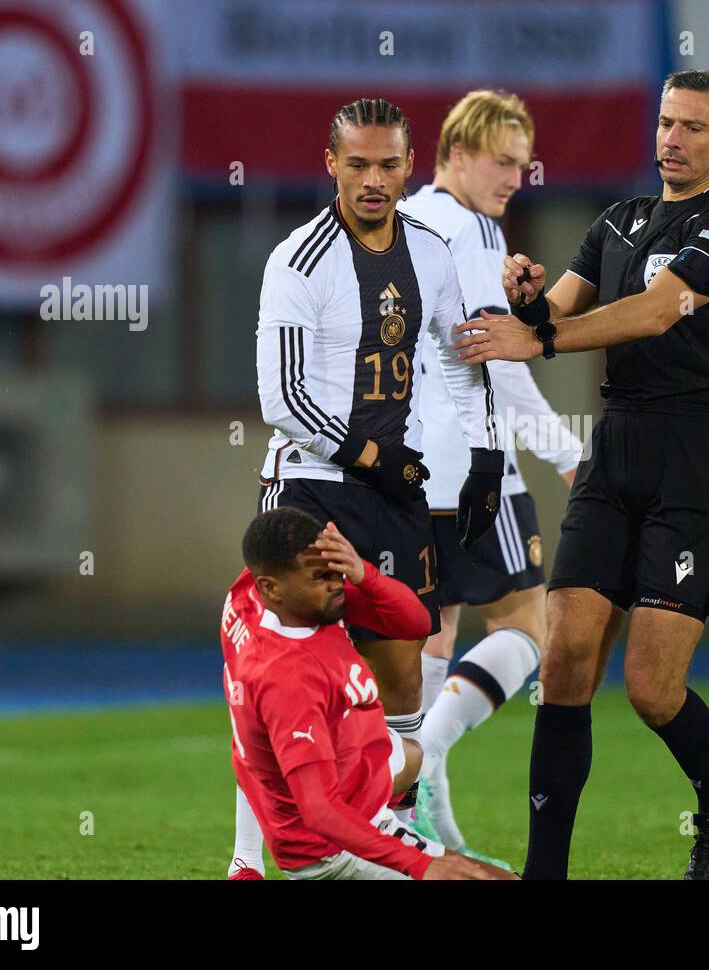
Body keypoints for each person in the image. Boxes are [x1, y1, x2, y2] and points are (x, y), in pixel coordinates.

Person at [454, 71, 709, 879]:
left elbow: (662, 308)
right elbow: (554, 310)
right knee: (564, 664)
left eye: (694, 127)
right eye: (666, 122)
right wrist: (527, 305)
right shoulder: (620, 220)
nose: (673, 138)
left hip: (697, 458)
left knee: (651, 690)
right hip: (617, 443)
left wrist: (543, 340)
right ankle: (545, 874)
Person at [230, 97, 504, 877]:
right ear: (332, 165)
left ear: (410, 165)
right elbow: (280, 395)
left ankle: (394, 818)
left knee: (403, 661)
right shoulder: (298, 260)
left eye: (388, 165)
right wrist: (368, 454)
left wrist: (485, 454)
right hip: (313, 488)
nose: (374, 180)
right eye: (358, 165)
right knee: (284, 684)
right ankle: (248, 860)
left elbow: (460, 353)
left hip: (393, 491)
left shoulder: (430, 250)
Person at [401, 89, 582, 866]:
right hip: (475, 470)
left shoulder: (407, 216)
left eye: (522, 164)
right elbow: (495, 356)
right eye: (502, 161)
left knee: (427, 640)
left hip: (405, 470)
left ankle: (406, 802)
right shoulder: (472, 229)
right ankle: (419, 765)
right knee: (527, 629)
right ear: (457, 152)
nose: (515, 176)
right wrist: (571, 454)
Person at [222, 507, 513, 879]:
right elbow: (320, 810)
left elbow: (416, 622)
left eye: (336, 572)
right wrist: (422, 864)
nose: (336, 584)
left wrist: (364, 573)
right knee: (493, 878)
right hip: (331, 846)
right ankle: (390, 842)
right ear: (272, 588)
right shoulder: (288, 677)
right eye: (321, 577)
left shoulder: (257, 595)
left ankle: (249, 860)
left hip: (354, 764)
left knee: (411, 756)